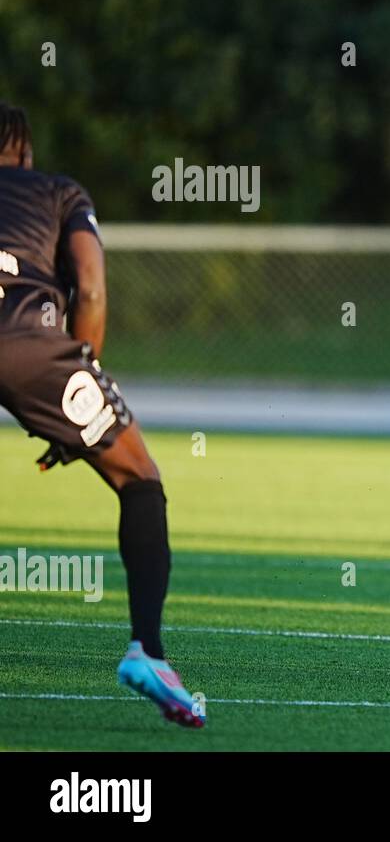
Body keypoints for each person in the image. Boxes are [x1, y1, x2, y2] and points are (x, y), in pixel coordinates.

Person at [0, 102, 203, 727]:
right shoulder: (58, 191)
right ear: (25, 152)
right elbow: (89, 287)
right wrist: (83, 376)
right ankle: (148, 649)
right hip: (29, 349)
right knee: (138, 477)